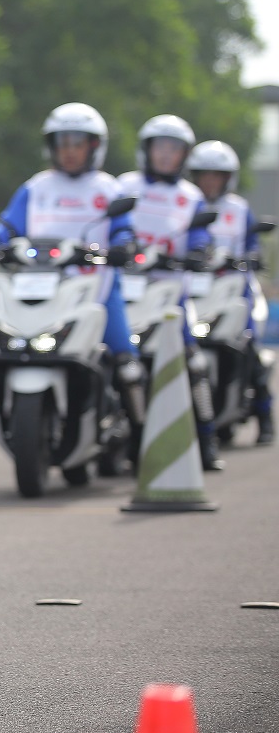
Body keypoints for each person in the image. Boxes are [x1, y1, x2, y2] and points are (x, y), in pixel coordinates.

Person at [0, 102, 147, 434]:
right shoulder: (36, 187)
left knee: (127, 363)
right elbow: (8, 226)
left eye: (77, 143)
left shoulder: (109, 188)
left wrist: (125, 245)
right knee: (0, 350)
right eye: (62, 143)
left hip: (96, 288)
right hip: (39, 287)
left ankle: (140, 438)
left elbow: (123, 229)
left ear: (94, 147)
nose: (69, 151)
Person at [117, 114, 223, 470]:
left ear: (184, 155)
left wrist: (198, 251)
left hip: (170, 293)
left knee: (193, 362)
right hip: (125, 288)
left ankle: (206, 439)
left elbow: (201, 236)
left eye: (174, 149)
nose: (166, 155)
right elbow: (112, 225)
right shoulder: (125, 185)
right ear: (147, 150)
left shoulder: (190, 197)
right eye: (160, 147)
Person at [186, 139, 273, 445]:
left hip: (234, 288)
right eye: (204, 174)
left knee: (247, 342)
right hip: (197, 288)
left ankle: (264, 415)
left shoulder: (238, 209)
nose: (210, 181)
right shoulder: (187, 204)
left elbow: (252, 245)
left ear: (227, 178)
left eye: (217, 175)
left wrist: (253, 256)